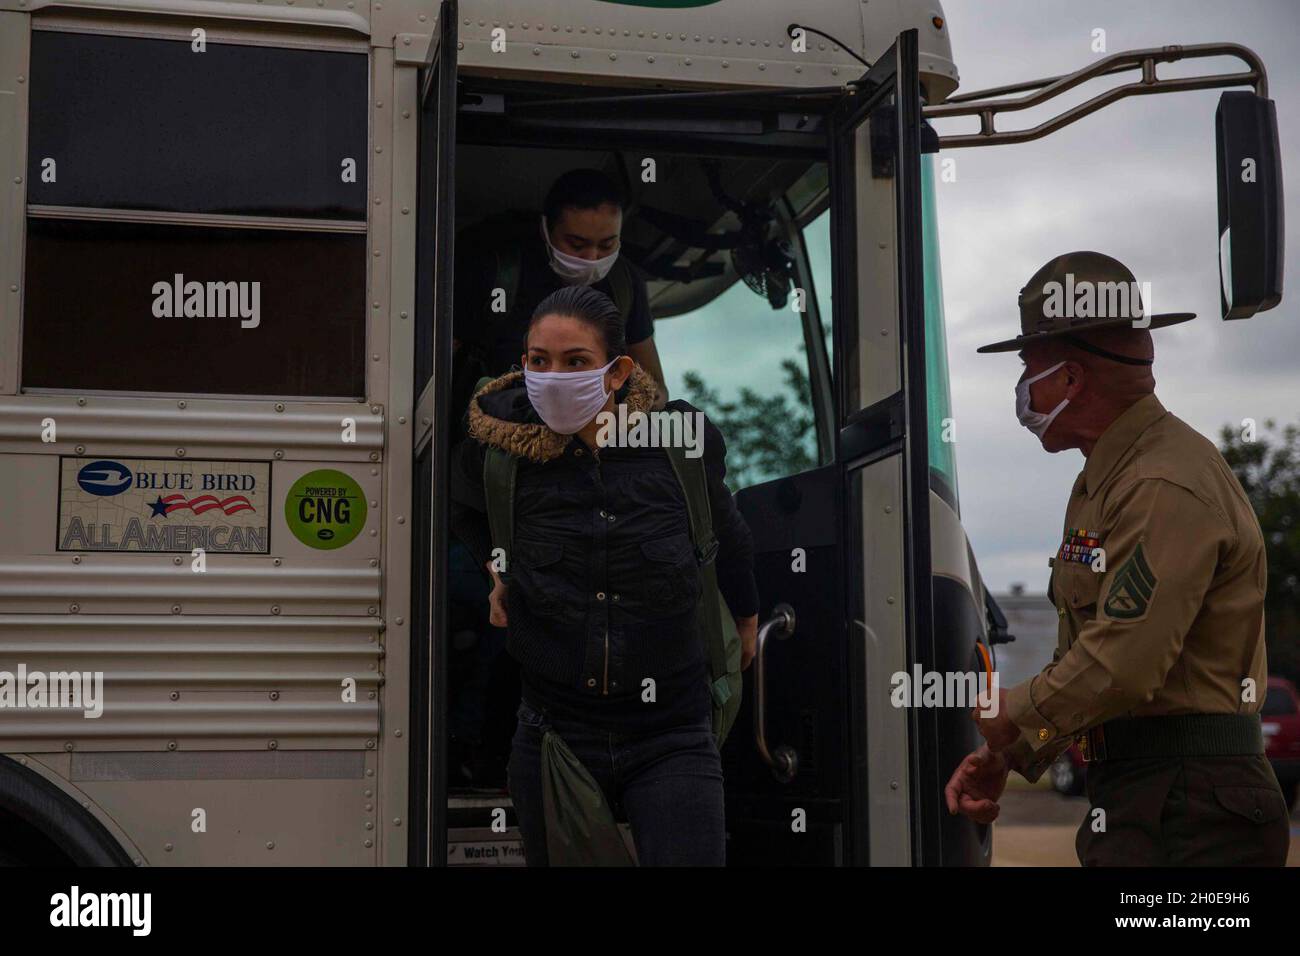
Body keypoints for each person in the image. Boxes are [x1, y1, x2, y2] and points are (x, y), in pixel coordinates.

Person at [946, 251, 1290, 867]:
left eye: (1028, 368)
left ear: (1072, 379)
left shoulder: (1161, 485)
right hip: (1157, 797)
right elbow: (1094, 658)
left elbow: (1124, 663)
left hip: (1190, 808)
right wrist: (1013, 751)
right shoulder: (1110, 481)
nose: (1021, 390)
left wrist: (1010, 717)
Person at [449, 285, 758, 866]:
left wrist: (745, 620)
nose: (553, 377)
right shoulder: (499, 453)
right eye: (538, 361)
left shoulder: (676, 444)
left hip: (672, 735)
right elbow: (461, 505)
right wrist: (498, 566)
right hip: (554, 737)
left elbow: (728, 534)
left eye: (575, 363)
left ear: (616, 373)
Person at [452, 167, 670, 420]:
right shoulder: (492, 267)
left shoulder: (624, 282)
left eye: (607, 245)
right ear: (546, 228)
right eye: (577, 245)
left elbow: (655, 385)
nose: (592, 258)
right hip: (491, 438)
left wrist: (646, 398)